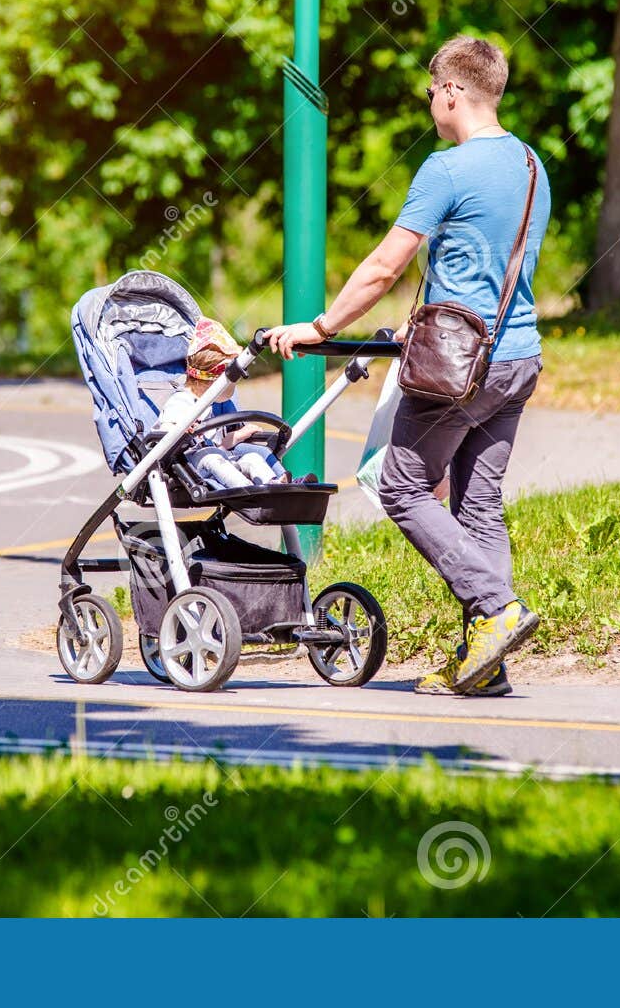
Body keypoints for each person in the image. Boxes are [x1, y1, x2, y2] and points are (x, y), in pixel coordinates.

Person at [265, 35, 548, 697]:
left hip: (458, 369)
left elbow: (386, 266)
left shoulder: (446, 169)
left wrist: (322, 327)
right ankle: (487, 664)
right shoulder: (532, 164)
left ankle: (497, 608)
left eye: (430, 93)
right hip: (519, 358)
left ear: (451, 91)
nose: (430, 104)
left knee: (400, 485)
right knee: (479, 507)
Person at [159, 318, 290, 489]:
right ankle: (247, 489)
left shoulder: (214, 405)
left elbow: (220, 444)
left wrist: (240, 435)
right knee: (211, 456)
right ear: (215, 382)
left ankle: (274, 484)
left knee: (253, 457)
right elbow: (162, 434)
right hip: (191, 465)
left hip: (223, 459)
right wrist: (180, 430)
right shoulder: (180, 402)